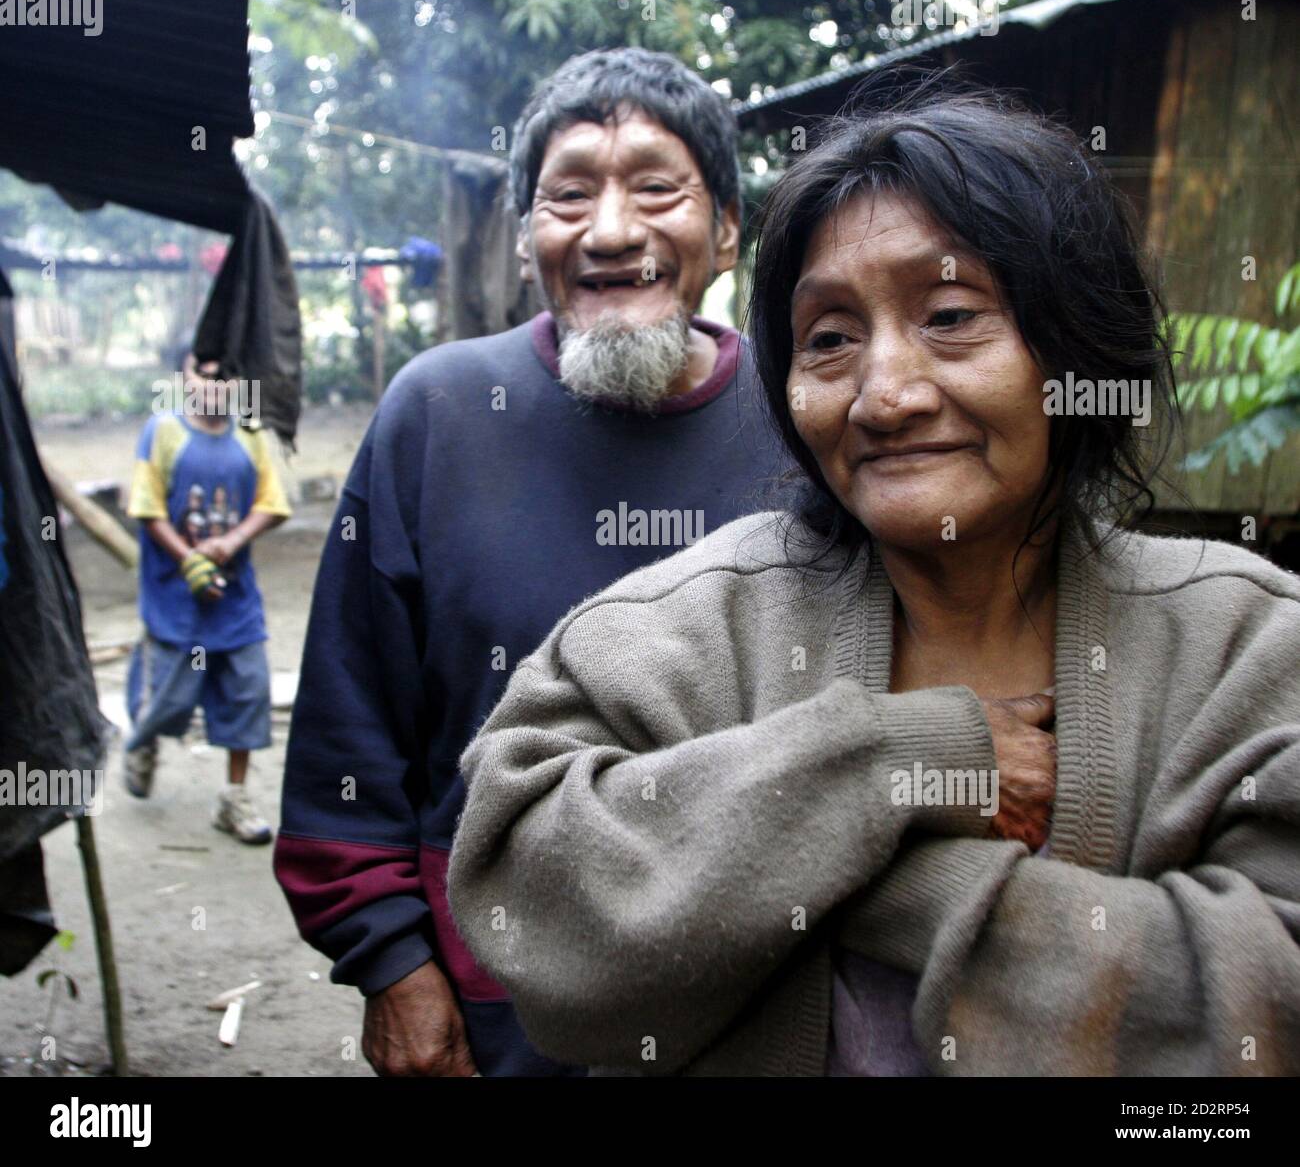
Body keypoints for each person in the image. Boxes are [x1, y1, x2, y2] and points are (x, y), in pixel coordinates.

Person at [447, 88, 1300, 1076]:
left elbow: (1268, 1001)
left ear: (1071, 343)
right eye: (828, 338)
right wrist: (899, 762)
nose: (885, 393)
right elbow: (531, 902)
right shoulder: (685, 622)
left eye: (949, 317)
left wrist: (858, 869)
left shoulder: (1245, 642)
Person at [273, 47, 787, 1077]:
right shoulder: (436, 413)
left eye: (655, 188)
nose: (609, 230)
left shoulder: (805, 420)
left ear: (726, 230)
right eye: (567, 196)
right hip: (491, 1003)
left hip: (759, 999)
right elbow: (348, 713)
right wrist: (392, 964)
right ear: (523, 244)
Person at [124, 353, 290, 844]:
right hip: (175, 600)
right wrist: (189, 559)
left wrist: (229, 543)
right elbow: (146, 508)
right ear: (183, 379)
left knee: (248, 693)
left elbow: (273, 503)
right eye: (203, 375)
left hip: (234, 600)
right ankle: (144, 739)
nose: (214, 387)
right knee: (169, 699)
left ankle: (233, 799)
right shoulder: (162, 431)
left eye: (226, 378)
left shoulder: (252, 433)